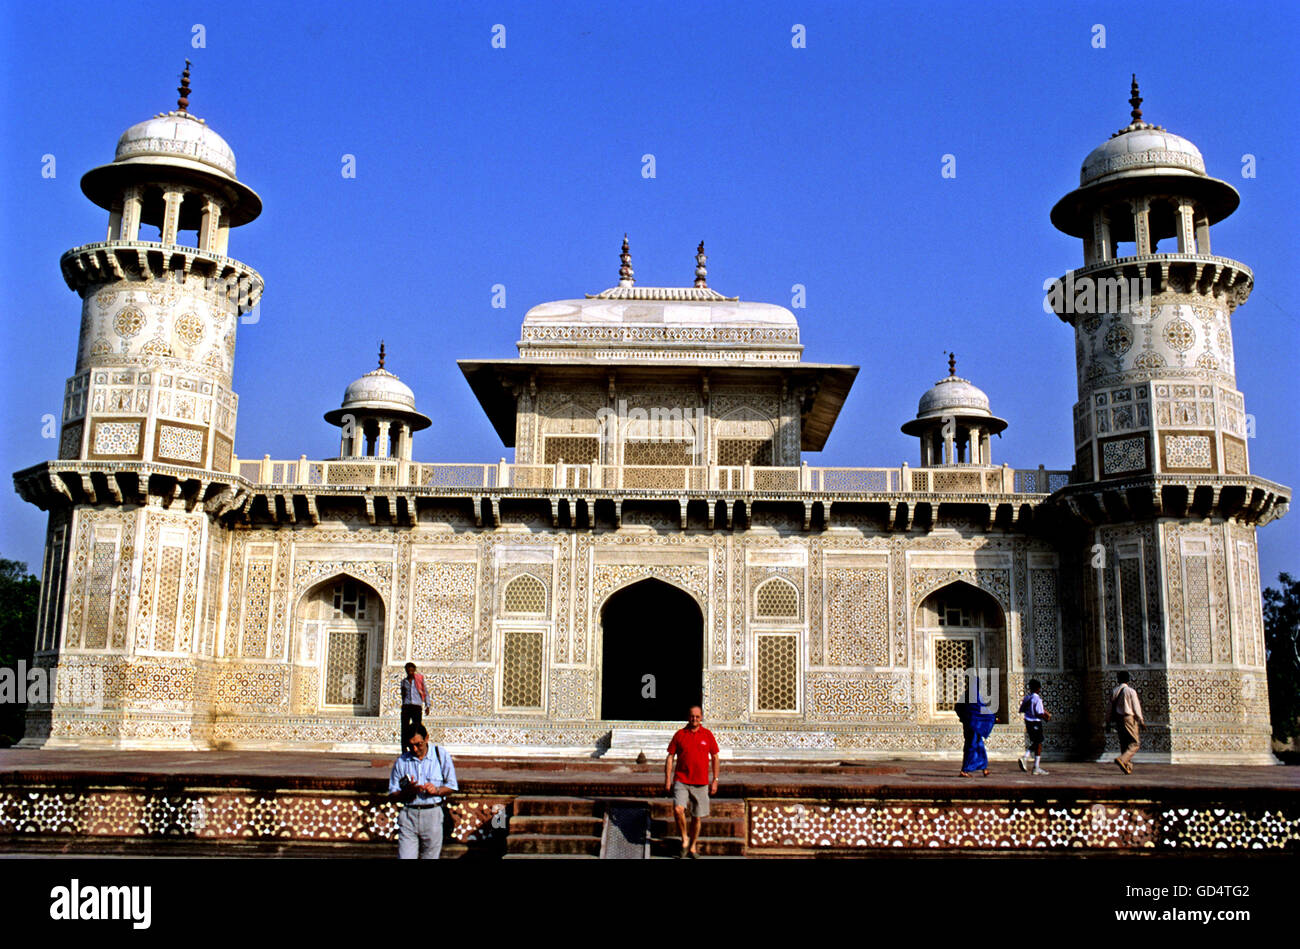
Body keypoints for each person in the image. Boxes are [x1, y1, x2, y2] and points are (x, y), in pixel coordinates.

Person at [388, 725, 457, 859]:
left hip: (432, 815)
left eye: (418, 744)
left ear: (426, 739)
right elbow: (393, 794)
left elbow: (452, 786)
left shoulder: (440, 756)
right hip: (409, 815)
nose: (415, 749)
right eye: (411, 745)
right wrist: (408, 792)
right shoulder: (402, 761)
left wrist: (436, 790)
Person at [665, 705, 720, 858]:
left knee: (697, 816)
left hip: (701, 781)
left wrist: (715, 779)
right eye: (692, 716)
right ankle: (684, 838)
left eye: (697, 716)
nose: (694, 719)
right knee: (678, 809)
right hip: (681, 779)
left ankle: (693, 846)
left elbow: (715, 757)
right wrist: (668, 779)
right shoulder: (680, 734)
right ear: (688, 717)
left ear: (701, 717)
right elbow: (670, 757)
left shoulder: (707, 735)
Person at [1109, 671, 1145, 774]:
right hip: (1129, 718)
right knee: (1135, 743)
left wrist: (1107, 722)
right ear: (1128, 679)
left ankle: (1127, 766)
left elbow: (1109, 708)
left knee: (1124, 743)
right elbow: (1136, 706)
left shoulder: (1114, 691)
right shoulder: (1130, 691)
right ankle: (1123, 759)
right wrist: (1141, 720)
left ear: (1118, 679)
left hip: (1118, 719)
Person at [1017, 678, 1051, 775]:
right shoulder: (1037, 698)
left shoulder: (1027, 698)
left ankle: (1036, 767)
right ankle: (1026, 757)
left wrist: (1044, 712)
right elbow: (1039, 713)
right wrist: (1046, 718)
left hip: (1028, 721)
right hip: (1035, 722)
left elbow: (1022, 709)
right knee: (1038, 742)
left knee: (1038, 743)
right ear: (1038, 688)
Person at [954, 699, 989, 777]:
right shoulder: (972, 696)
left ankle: (984, 768)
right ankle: (964, 770)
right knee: (971, 746)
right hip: (972, 725)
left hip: (974, 725)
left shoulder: (971, 695)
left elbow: (958, 707)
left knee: (979, 745)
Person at [399, 662, 429, 747]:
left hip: (416, 706)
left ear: (414, 670)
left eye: (412, 670)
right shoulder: (404, 682)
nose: (410, 672)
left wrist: (427, 705)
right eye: (408, 671)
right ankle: (404, 748)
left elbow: (425, 692)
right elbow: (403, 694)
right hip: (407, 706)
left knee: (417, 728)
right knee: (404, 728)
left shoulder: (419, 681)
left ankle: (419, 746)